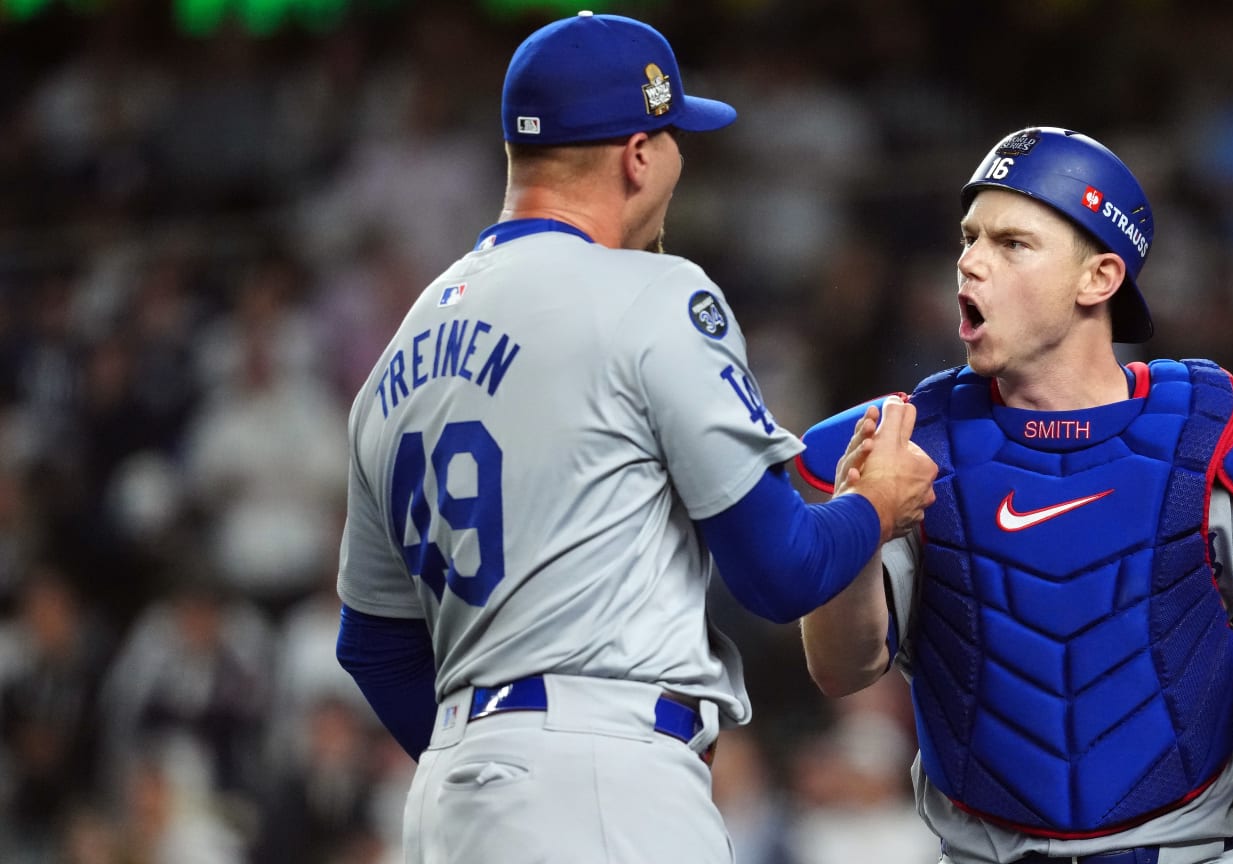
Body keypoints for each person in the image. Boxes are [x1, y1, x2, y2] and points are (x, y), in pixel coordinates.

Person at [332, 12, 936, 864]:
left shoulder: (402, 348)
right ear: (638, 154)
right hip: (602, 781)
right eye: (675, 138)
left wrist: (493, 761)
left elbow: (371, 644)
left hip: (450, 800)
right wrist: (876, 506)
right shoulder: (650, 294)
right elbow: (779, 571)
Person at [796, 126, 1233, 864]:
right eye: (969, 238)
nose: (969, 263)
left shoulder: (1211, 430)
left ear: (1099, 278)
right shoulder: (912, 443)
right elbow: (841, 670)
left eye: (1012, 244)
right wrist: (858, 519)